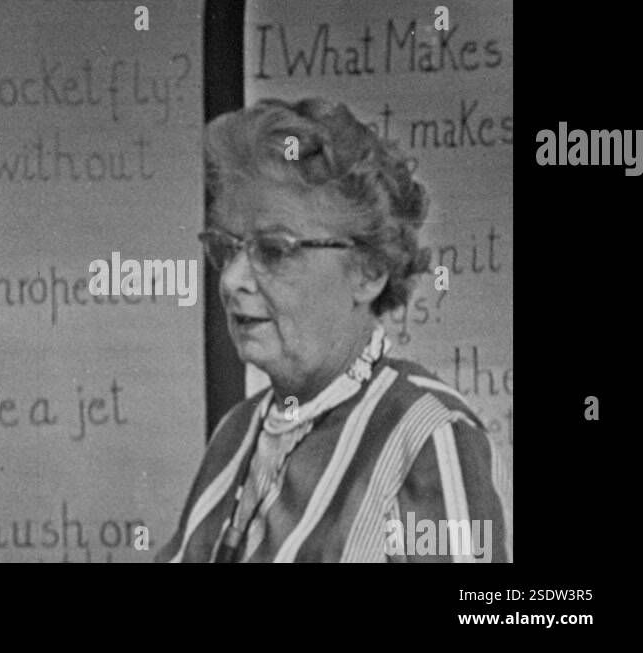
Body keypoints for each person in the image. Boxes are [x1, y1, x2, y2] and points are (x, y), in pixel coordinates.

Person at [155, 98, 509, 563]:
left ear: (367, 271)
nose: (232, 279)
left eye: (274, 250)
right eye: (227, 247)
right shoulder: (237, 433)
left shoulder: (427, 436)